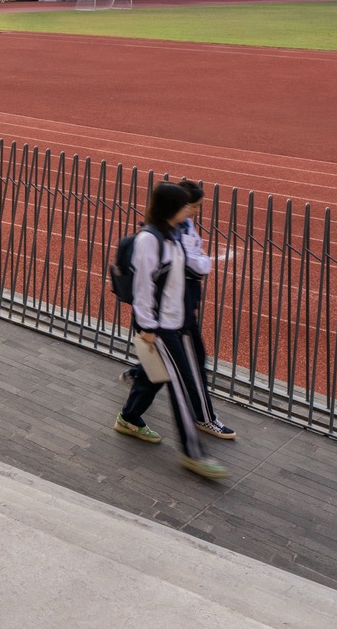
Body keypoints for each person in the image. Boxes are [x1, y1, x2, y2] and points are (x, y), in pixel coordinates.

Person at [115, 181, 228, 480]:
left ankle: (129, 415)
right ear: (170, 208)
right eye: (184, 206)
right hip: (162, 327)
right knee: (181, 388)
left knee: (162, 378)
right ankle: (194, 454)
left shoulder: (175, 233)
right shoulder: (149, 240)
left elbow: (191, 270)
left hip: (175, 322)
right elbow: (143, 288)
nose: (189, 211)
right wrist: (148, 328)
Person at [173, 181, 235, 441]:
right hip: (177, 308)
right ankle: (205, 418)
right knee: (195, 363)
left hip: (179, 305)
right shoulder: (169, 233)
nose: (198, 211)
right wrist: (203, 262)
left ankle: (131, 411)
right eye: (194, 206)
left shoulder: (183, 225)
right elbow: (192, 264)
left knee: (165, 366)